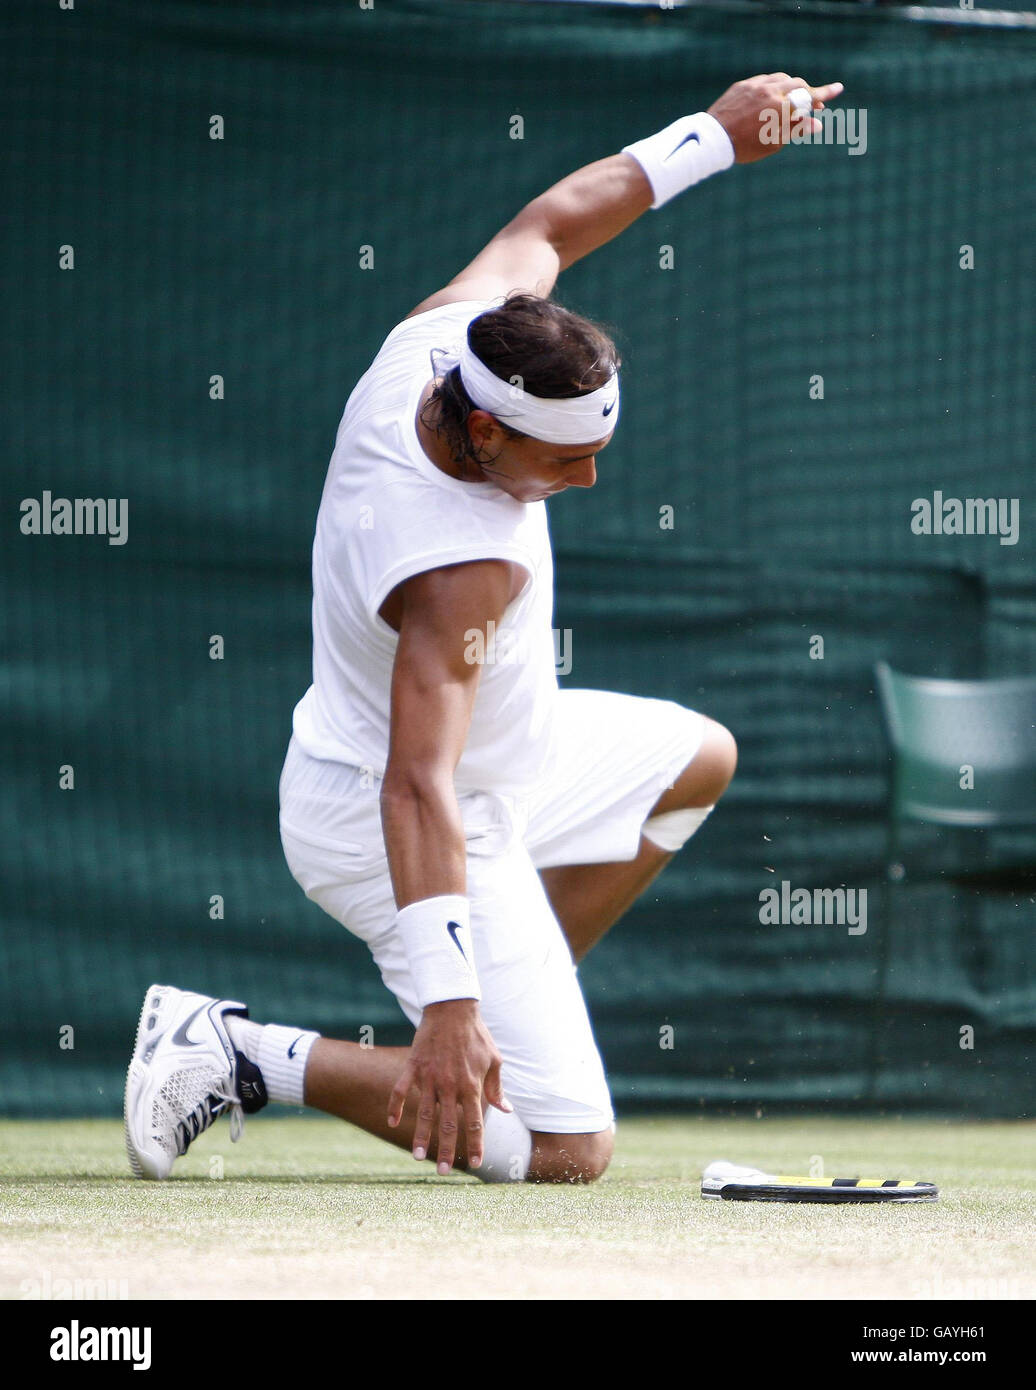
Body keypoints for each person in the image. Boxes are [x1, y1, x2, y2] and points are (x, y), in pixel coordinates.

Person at [125, 73, 843, 1185]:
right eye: (563, 461)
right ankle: (247, 1054)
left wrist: (715, 136)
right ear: (479, 429)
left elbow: (549, 223)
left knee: (693, 761)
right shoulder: (459, 564)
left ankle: (503, 1019)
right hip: (390, 813)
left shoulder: (448, 336)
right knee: (565, 1149)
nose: (590, 478)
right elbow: (417, 785)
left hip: (512, 765)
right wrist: (454, 1004)